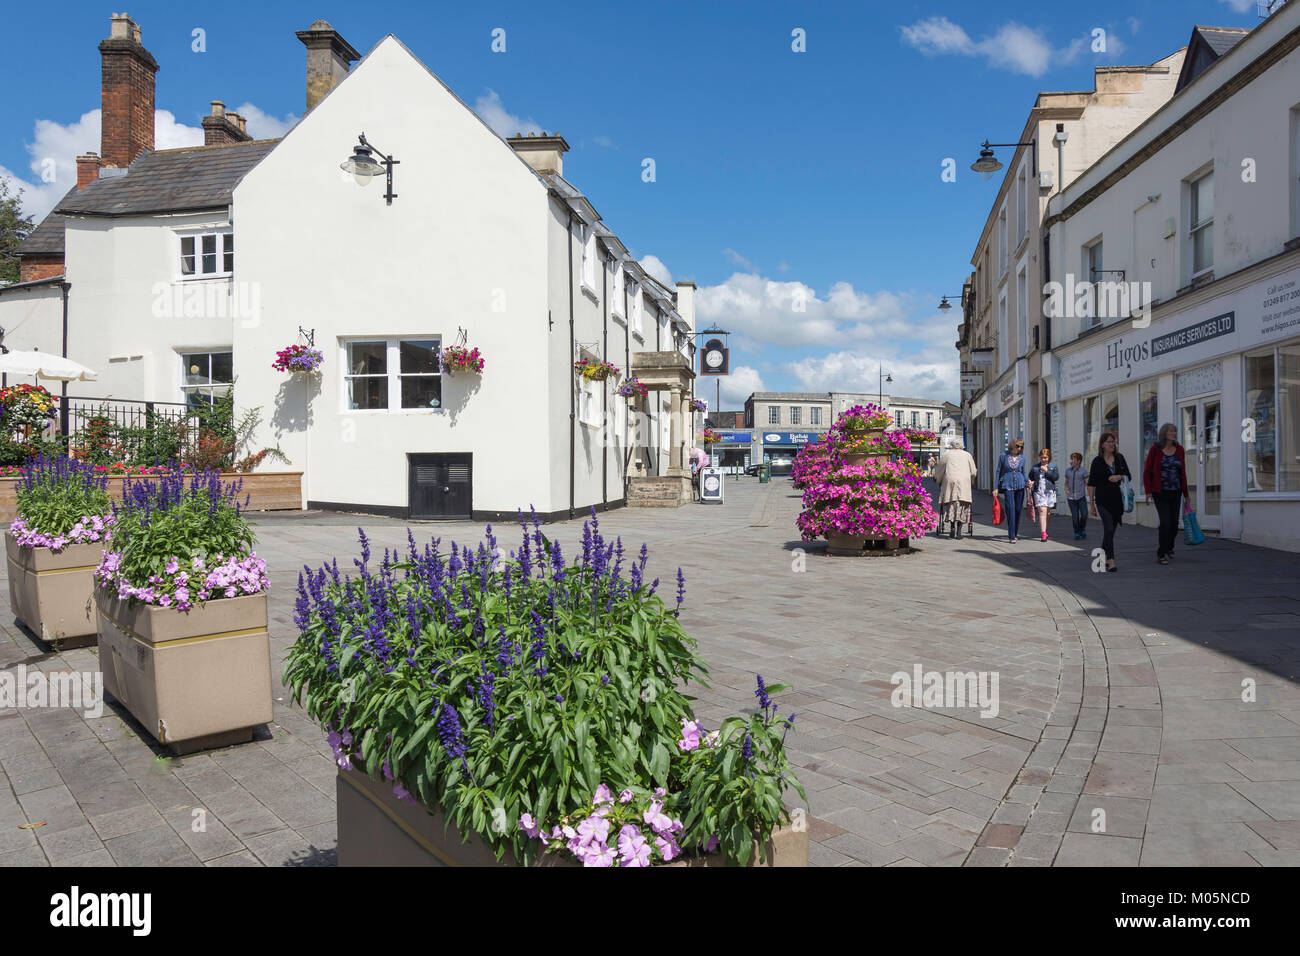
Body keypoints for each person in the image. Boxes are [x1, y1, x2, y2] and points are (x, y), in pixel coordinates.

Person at [1142, 422, 1190, 565]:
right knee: (1165, 523)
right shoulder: (1155, 450)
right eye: (1171, 431)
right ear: (1164, 434)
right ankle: (1161, 552)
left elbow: (1183, 473)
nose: (1174, 433)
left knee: (1174, 524)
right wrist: (1148, 491)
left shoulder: (1180, 450)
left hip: (1176, 492)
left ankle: (1169, 546)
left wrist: (1186, 494)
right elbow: (1147, 471)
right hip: (1160, 492)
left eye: (1175, 431)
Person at [1088, 432, 1132, 572]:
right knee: (1108, 528)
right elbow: (1091, 484)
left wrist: (1119, 476)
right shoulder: (1097, 461)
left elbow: (1128, 476)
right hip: (1102, 500)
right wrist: (1091, 503)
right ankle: (1111, 560)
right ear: (1102, 444)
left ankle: (1101, 555)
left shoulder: (1119, 458)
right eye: (1108, 442)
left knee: (1110, 531)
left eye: (1113, 442)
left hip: (1117, 500)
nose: (1111, 444)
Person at [934, 438, 977, 540]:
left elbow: (940, 470)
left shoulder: (946, 455)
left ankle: (952, 526)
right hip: (963, 481)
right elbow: (973, 471)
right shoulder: (967, 455)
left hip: (950, 481)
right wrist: (971, 480)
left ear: (951, 445)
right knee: (963, 504)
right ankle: (959, 530)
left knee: (951, 502)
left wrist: (938, 480)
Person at [994, 438, 1029, 543]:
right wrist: (995, 487)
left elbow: (1023, 472)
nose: (1020, 448)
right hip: (1007, 486)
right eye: (1018, 446)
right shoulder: (1003, 456)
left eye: (1021, 446)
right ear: (1013, 445)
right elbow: (998, 471)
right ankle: (1012, 535)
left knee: (1018, 510)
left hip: (1020, 486)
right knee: (1011, 509)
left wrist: (1028, 481)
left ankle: (1015, 531)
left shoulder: (1022, 458)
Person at [1028, 448, 1060, 542]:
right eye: (1041, 458)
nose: (1043, 460)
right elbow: (1030, 478)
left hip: (1050, 492)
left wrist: (1047, 471)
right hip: (1039, 492)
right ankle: (1043, 534)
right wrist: (1030, 482)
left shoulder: (1053, 466)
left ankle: (1045, 530)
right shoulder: (1035, 467)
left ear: (1049, 457)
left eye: (1045, 458)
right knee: (1042, 511)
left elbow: (1056, 477)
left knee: (1048, 513)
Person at [1064, 452, 1089, 540]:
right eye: (1071, 459)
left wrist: (1091, 493)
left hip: (1081, 497)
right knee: (1075, 517)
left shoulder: (1084, 471)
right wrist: (1066, 488)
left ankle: (1082, 528)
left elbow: (1087, 483)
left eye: (1073, 459)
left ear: (1078, 461)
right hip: (1071, 498)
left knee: (1084, 514)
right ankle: (1077, 532)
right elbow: (1067, 481)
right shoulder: (1068, 471)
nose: (1071, 461)